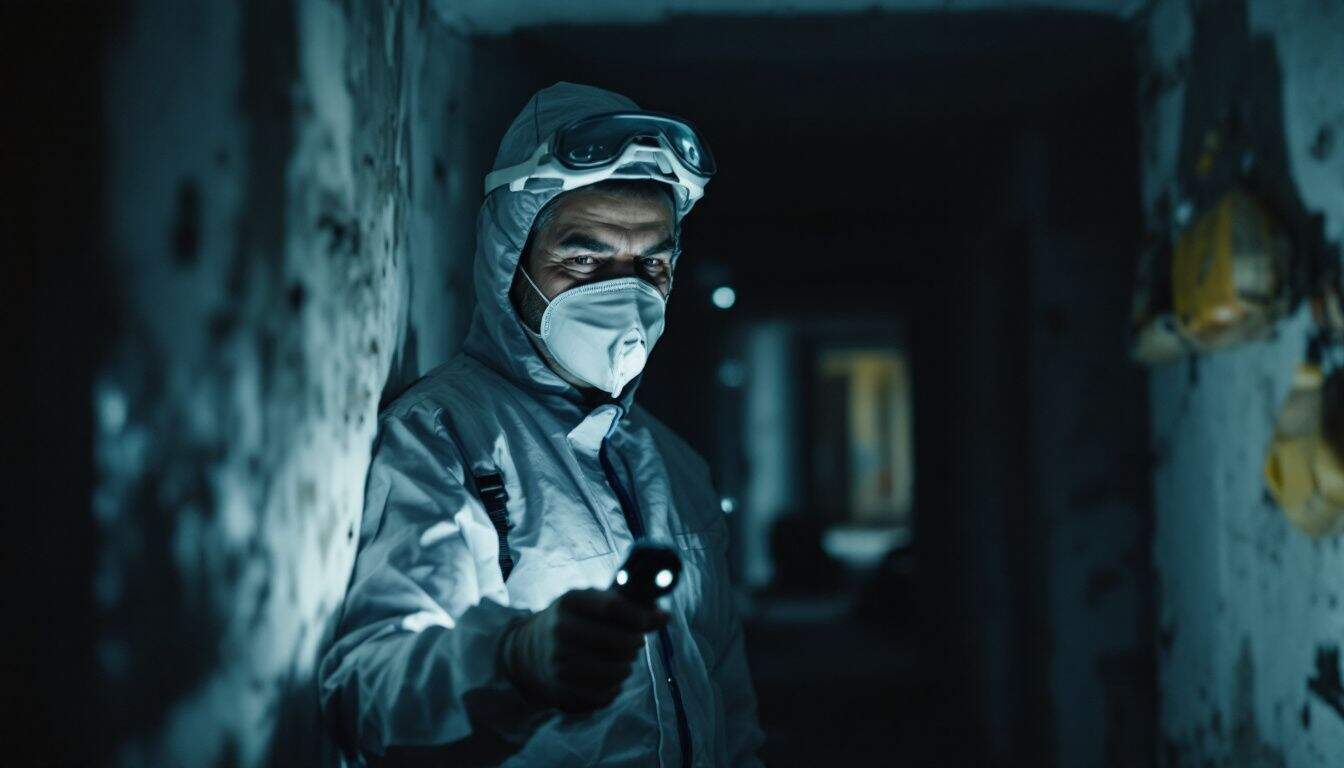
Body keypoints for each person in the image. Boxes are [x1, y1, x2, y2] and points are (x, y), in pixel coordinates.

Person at [319, 82, 764, 767]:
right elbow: (369, 697)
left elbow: (728, 704)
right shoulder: (439, 441)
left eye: (652, 262)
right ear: (511, 260)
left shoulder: (676, 467)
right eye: (584, 259)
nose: (627, 294)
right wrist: (512, 662)